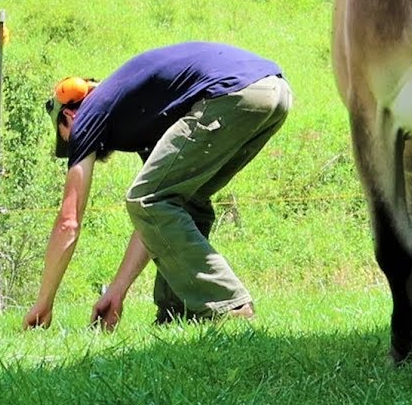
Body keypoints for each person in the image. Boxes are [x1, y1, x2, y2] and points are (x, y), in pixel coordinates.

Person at [22, 41, 292, 331]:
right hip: (273, 91)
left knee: (147, 198)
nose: (72, 144)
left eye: (66, 138)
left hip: (232, 93)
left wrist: (43, 303)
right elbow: (154, 215)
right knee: (182, 200)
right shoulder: (137, 111)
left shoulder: (88, 114)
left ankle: (227, 304)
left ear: (68, 116)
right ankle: (179, 312)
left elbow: (69, 221)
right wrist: (117, 290)